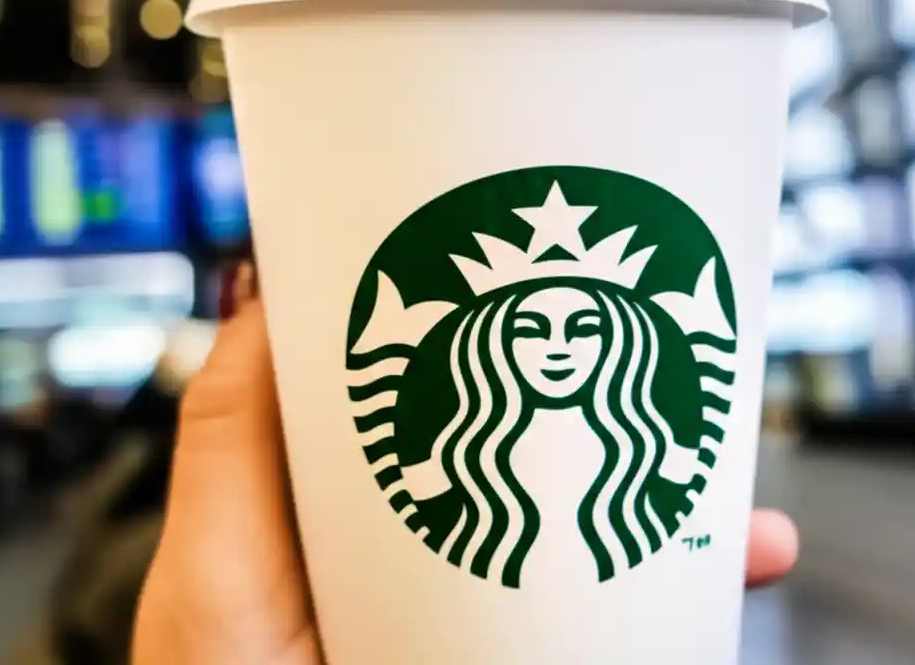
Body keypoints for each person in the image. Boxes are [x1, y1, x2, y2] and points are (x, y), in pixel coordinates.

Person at [132, 281, 801, 664]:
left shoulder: (655, 458)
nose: (559, 349)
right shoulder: (448, 467)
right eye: (531, 329)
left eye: (585, 328)